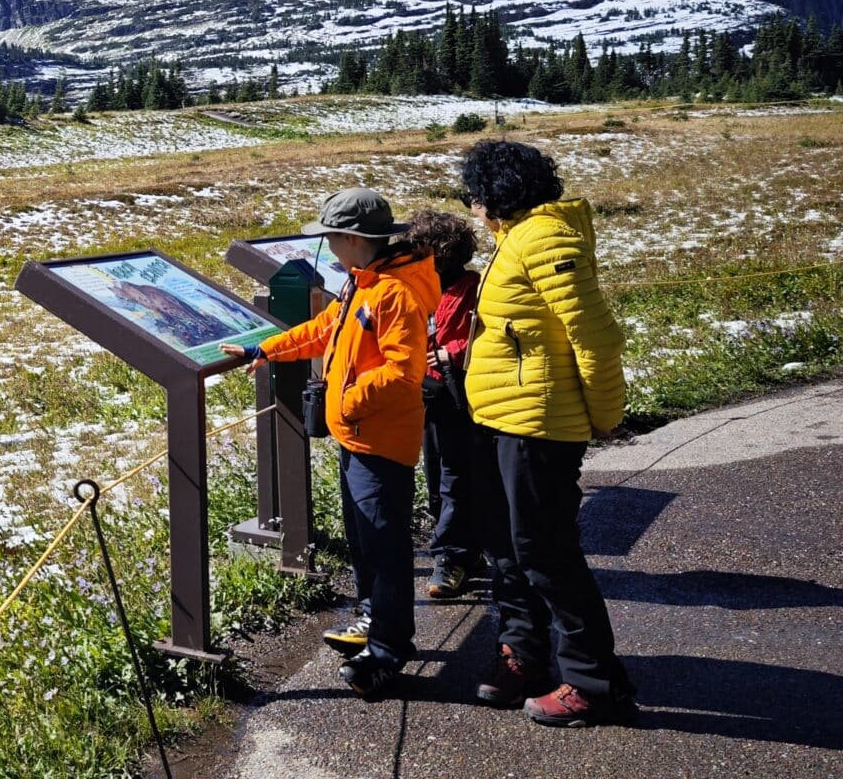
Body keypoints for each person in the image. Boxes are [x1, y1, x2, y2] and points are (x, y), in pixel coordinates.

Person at [225, 187, 439, 698]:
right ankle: (371, 618)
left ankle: (388, 649)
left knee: (384, 547)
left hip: (379, 440)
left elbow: (404, 372)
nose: (326, 246)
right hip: (359, 435)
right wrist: (269, 348)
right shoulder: (365, 282)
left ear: (351, 238)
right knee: (365, 538)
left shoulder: (394, 291)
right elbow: (328, 329)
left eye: (328, 237)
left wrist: (343, 401)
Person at [458, 140, 636, 727]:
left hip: (537, 425)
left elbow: (596, 335)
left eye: (474, 195)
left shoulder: (545, 239)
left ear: (494, 195)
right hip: (503, 419)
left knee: (546, 552)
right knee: (507, 548)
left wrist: (604, 415)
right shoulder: (521, 236)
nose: (473, 208)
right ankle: (526, 654)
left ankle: (594, 683)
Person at [405, 208, 485, 599]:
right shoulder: (424, 287)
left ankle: (450, 557)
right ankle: (466, 550)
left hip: (457, 394)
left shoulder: (471, 287)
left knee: (454, 476)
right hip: (429, 394)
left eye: (419, 251)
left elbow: (486, 335)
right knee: (438, 476)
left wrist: (452, 353)